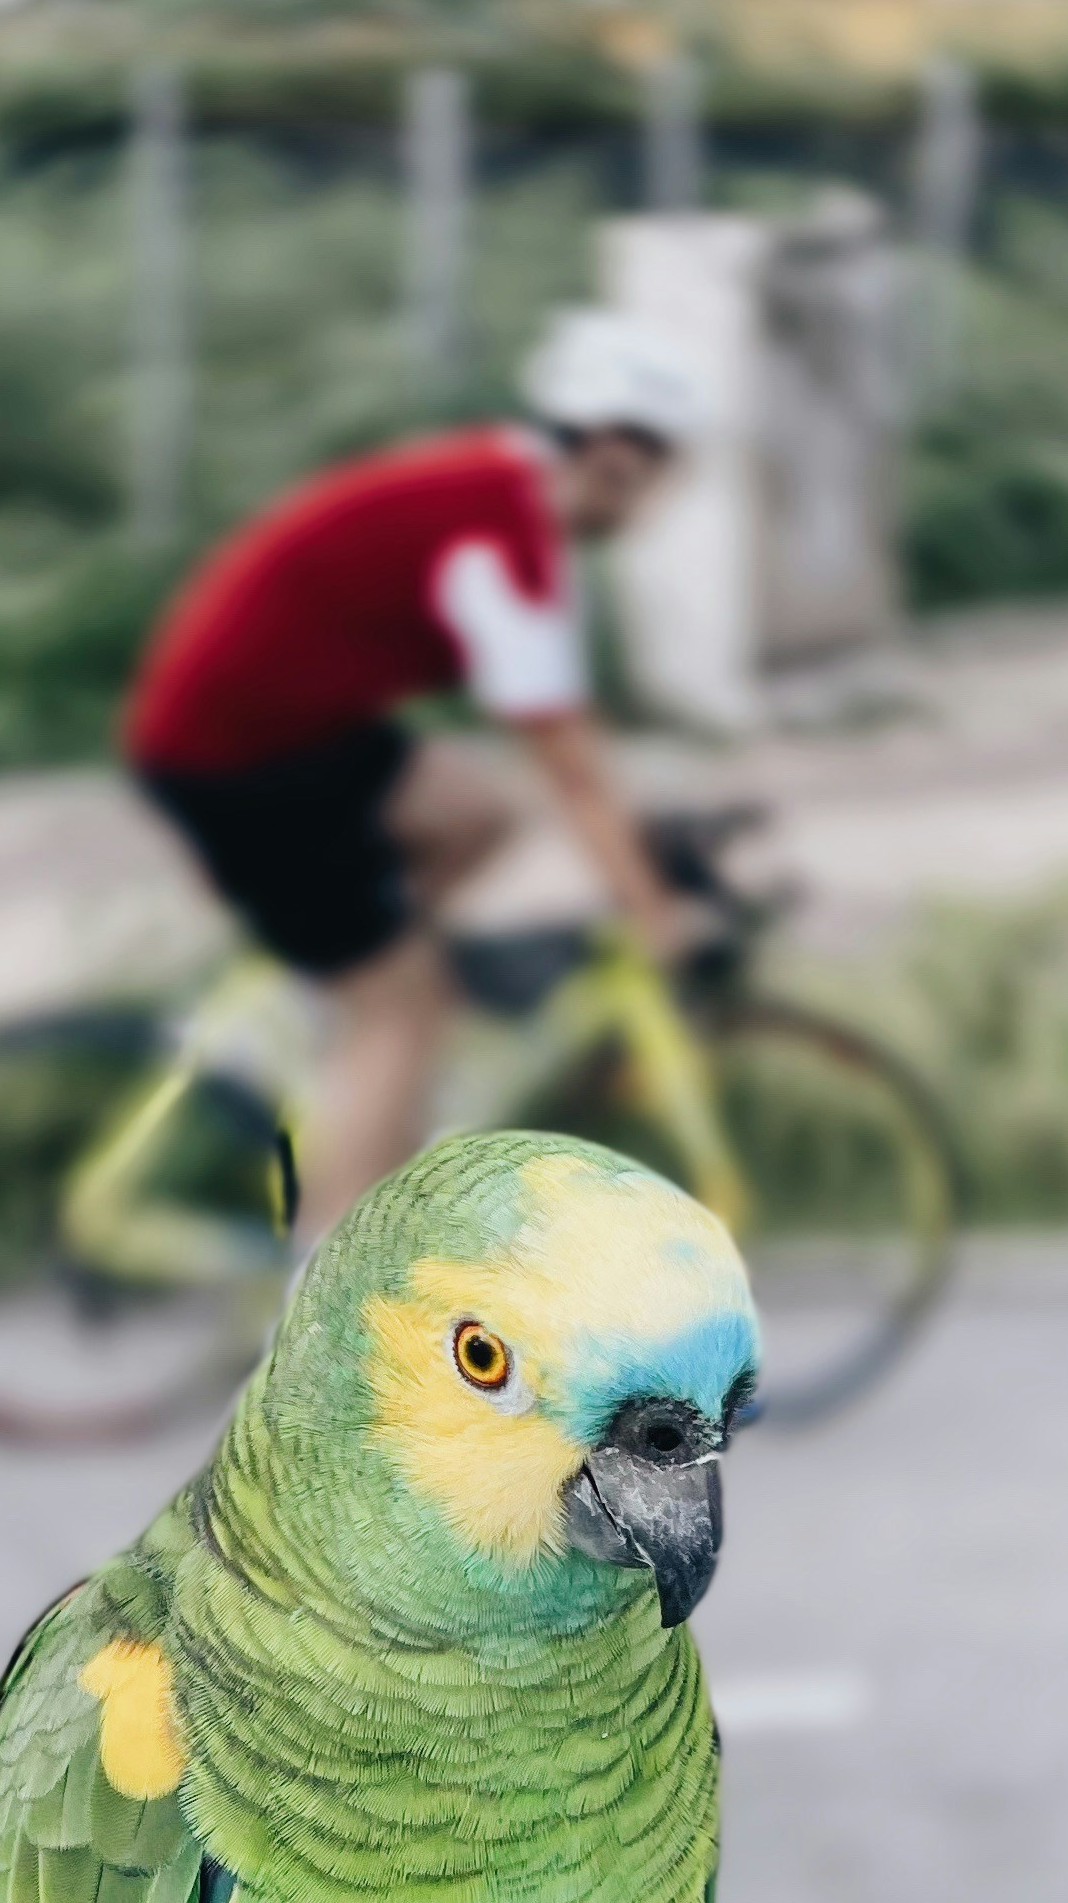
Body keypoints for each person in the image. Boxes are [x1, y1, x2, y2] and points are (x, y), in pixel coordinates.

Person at [122, 309, 702, 1240]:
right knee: (408, 1007)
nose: (653, 502)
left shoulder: (502, 491)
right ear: (612, 452)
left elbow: (553, 759)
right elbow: (571, 766)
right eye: (658, 474)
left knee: (477, 811)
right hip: (242, 754)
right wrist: (649, 905)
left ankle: (329, 1000)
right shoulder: (505, 542)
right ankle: (320, 1294)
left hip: (281, 727)